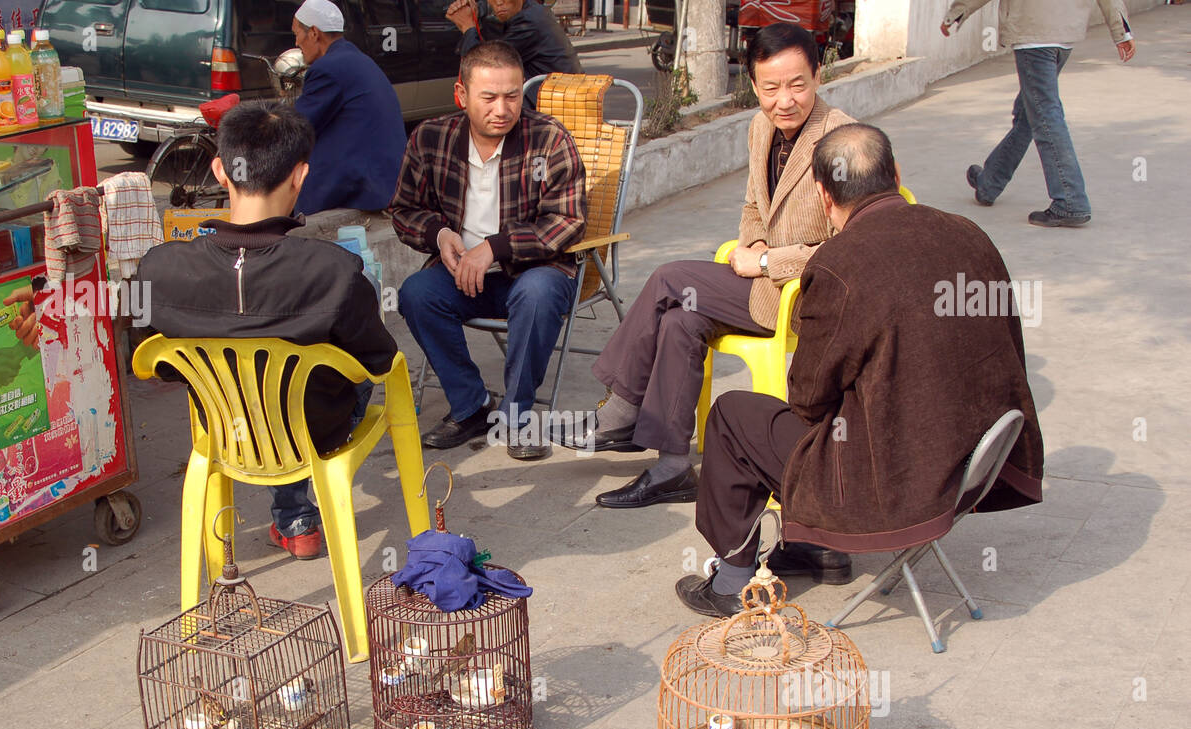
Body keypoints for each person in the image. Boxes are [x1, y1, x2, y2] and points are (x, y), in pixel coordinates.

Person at [676, 124, 1045, 617]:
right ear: (895, 173)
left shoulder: (837, 265)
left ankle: (733, 582)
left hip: (894, 485)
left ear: (825, 197)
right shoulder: (969, 233)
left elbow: (807, 399)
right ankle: (814, 551)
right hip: (975, 462)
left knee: (733, 417)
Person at [572, 24, 854, 509]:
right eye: (770, 87)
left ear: (818, 76)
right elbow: (752, 206)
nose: (783, 100)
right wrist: (757, 241)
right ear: (753, 83)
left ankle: (619, 410)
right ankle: (673, 466)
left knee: (668, 278)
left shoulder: (844, 142)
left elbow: (854, 250)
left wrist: (766, 260)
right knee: (682, 320)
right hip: (759, 281)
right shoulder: (760, 127)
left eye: (797, 85)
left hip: (805, 298)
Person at [139, 102, 398, 561]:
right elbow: (376, 361)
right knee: (331, 367)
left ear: (220, 171)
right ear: (300, 176)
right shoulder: (334, 272)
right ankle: (297, 515)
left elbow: (159, 365)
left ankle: (294, 520)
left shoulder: (159, 270)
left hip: (224, 433)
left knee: (257, 377)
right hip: (314, 434)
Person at [390, 40, 586, 461]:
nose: (502, 108)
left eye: (512, 95)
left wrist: (494, 248)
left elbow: (567, 221)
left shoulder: (549, 139)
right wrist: (440, 235)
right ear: (461, 95)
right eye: (489, 97)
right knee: (416, 294)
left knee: (539, 294)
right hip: (463, 275)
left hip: (534, 271)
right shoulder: (430, 138)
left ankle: (515, 418)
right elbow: (404, 210)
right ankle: (471, 407)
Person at [942, 0, 1135, 227]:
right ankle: (989, 183)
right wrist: (1122, 32)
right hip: (1064, 35)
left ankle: (1071, 202)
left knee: (1045, 116)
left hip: (1034, 35)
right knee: (1029, 113)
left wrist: (957, 12)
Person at [290, 0, 407, 215]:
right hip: (384, 174)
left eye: (297, 34)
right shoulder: (355, 58)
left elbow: (297, 126)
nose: (296, 42)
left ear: (314, 33)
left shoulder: (327, 68)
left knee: (290, 174)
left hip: (365, 182)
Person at [446, 0, 582, 104]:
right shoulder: (530, 12)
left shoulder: (528, 20)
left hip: (556, 102)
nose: (499, 3)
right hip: (552, 96)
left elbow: (483, 66)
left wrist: (468, 27)